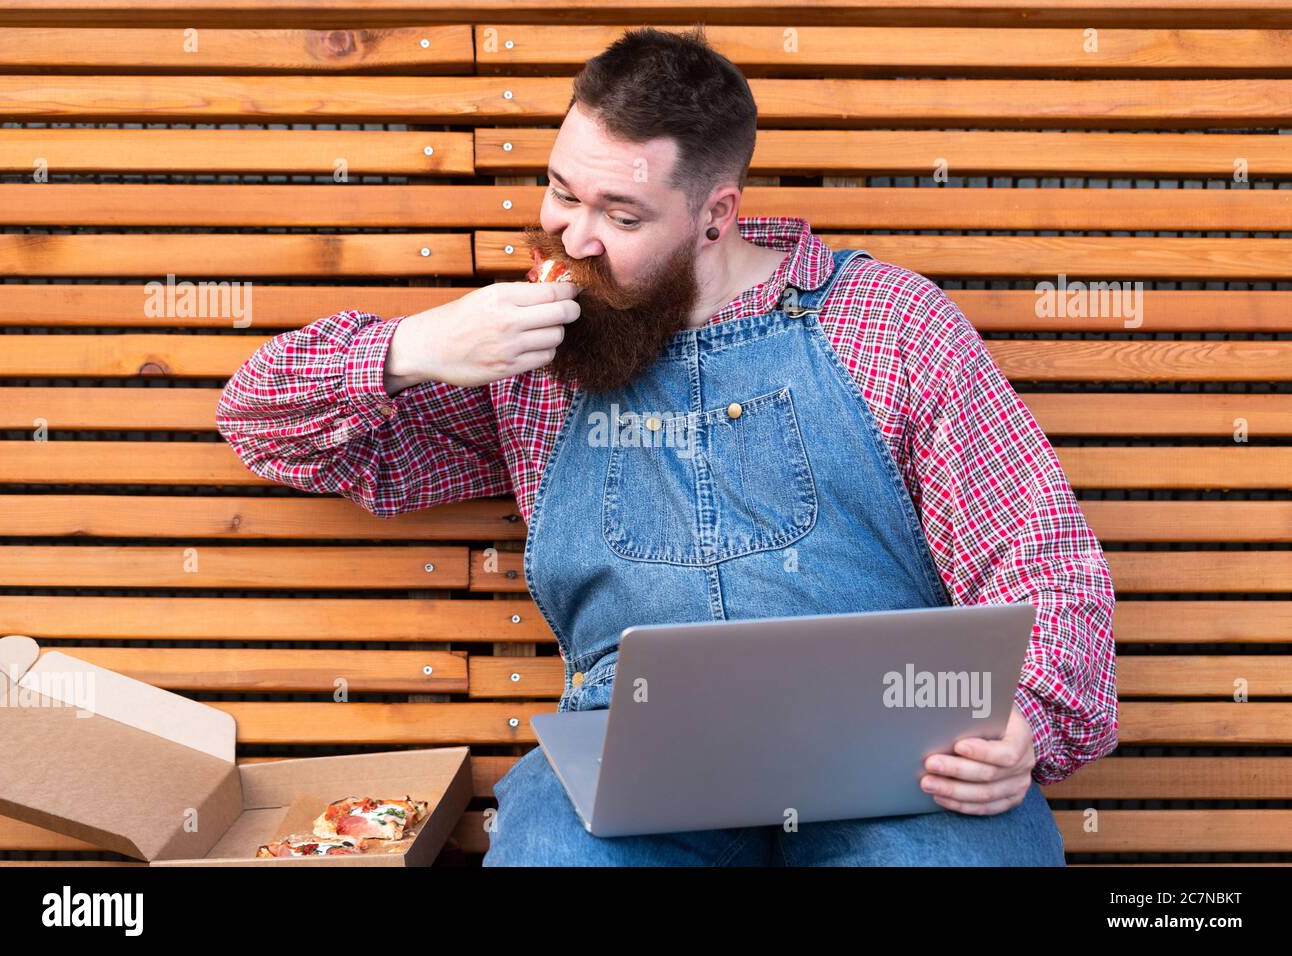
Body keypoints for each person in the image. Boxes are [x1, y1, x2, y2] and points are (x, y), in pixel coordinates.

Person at [216, 25, 1116, 866]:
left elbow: (1042, 560)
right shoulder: (528, 353)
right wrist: (416, 349)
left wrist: (1026, 722)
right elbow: (260, 421)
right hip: (632, 764)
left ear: (716, 214)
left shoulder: (888, 324)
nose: (573, 236)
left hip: (898, 760)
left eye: (622, 215)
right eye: (563, 191)